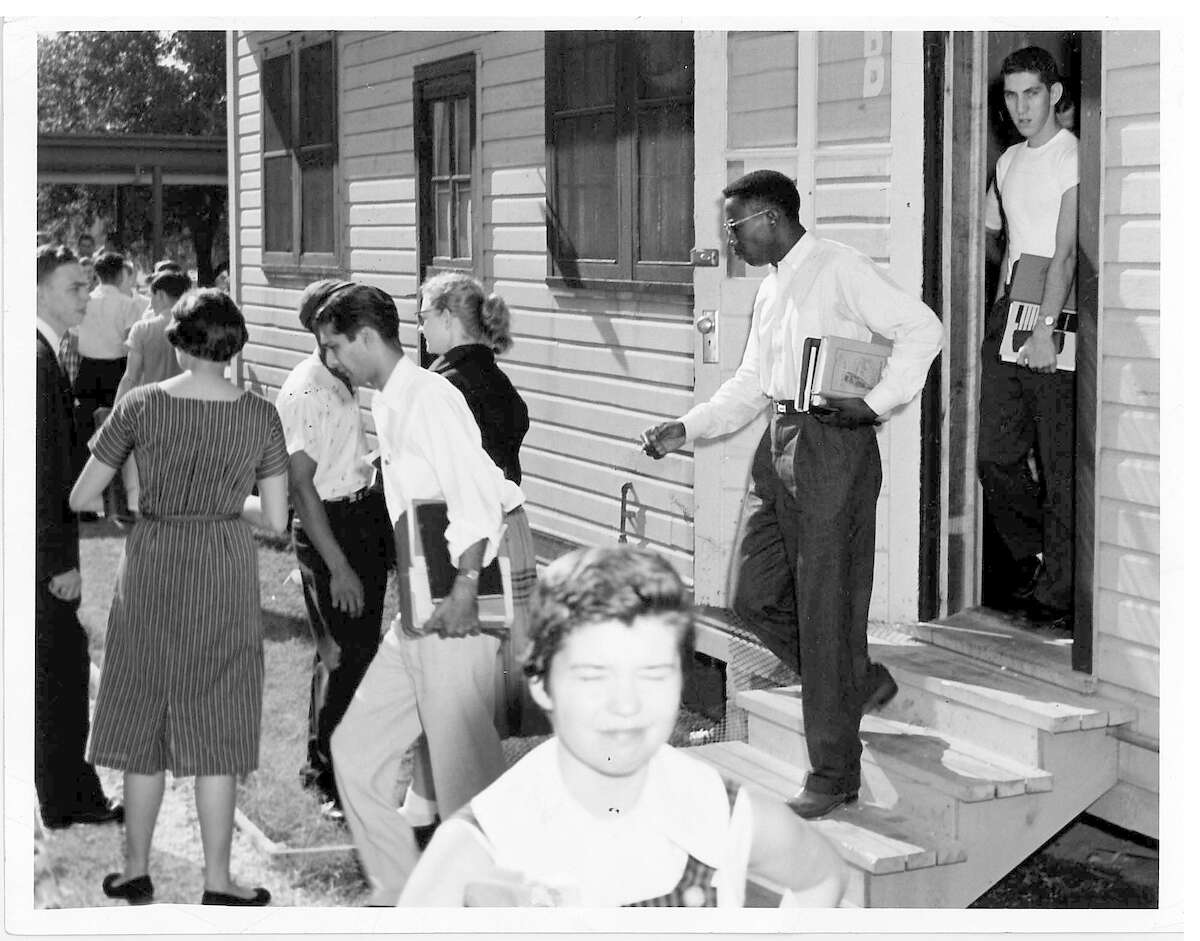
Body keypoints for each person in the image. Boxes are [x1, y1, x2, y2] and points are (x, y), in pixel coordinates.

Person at [640, 170, 943, 820]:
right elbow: (753, 380)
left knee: (825, 608)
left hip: (831, 442)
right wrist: (686, 428)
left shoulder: (839, 267)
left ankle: (833, 772)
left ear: (772, 217)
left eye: (737, 226)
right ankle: (854, 681)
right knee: (755, 594)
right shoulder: (773, 287)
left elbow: (923, 329)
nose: (730, 240)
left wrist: (875, 403)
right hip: (778, 438)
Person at [398, 545, 848, 908]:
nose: (627, 704)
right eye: (594, 674)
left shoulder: (717, 811)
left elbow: (822, 875)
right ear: (540, 682)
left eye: (653, 672)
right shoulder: (480, 849)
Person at [69, 289, 289, 906]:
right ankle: (218, 883)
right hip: (221, 568)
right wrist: (220, 504)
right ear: (235, 343)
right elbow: (274, 517)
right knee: (217, 721)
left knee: (144, 713)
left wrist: (142, 497)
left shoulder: (139, 405)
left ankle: (136, 870)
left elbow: (83, 495)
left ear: (178, 339)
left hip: (153, 564)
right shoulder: (259, 416)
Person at [314, 283, 527, 906]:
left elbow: (477, 499)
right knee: (354, 753)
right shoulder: (388, 402)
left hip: (454, 606)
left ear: (367, 339)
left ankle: (501, 910)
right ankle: (402, 893)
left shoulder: (432, 398)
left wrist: (464, 589)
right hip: (416, 606)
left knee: (471, 789)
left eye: (335, 348)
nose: (331, 362)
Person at [274, 280, 394, 821]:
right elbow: (301, 487)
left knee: (359, 650)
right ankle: (324, 776)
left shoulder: (340, 378)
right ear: (321, 335)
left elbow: (344, 456)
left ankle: (345, 765)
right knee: (340, 654)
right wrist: (339, 566)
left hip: (359, 514)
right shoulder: (308, 390)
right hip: (330, 529)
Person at [979, 46, 1078, 629]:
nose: (1020, 107)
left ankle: (1059, 590)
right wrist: (1002, 316)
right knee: (996, 457)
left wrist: (1044, 329)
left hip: (1054, 317)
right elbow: (999, 237)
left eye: (1032, 94)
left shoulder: (1071, 155)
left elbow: (1064, 253)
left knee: (1058, 460)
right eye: (1012, 96)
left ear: (1055, 94)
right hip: (1009, 315)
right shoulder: (1009, 161)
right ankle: (1042, 554)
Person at [416, 271, 538, 734]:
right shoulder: (496, 379)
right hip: (509, 531)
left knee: (454, 674)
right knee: (492, 663)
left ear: (447, 318)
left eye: (424, 316)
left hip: (464, 539)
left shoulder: (443, 384)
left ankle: (455, 781)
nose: (422, 327)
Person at [34, 244, 124, 832]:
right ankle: (69, 798)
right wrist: (58, 561)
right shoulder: (35, 357)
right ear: (38, 288)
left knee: (55, 667)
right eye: (73, 286)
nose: (85, 296)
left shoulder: (42, 350)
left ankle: (65, 792)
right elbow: (40, 474)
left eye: (86, 284)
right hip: (43, 553)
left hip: (42, 546)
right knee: (61, 669)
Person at [75, 251, 146, 451]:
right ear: (120, 275)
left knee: (85, 428)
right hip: (115, 370)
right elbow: (129, 341)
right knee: (116, 428)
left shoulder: (84, 301)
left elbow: (73, 337)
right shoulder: (127, 304)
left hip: (87, 368)